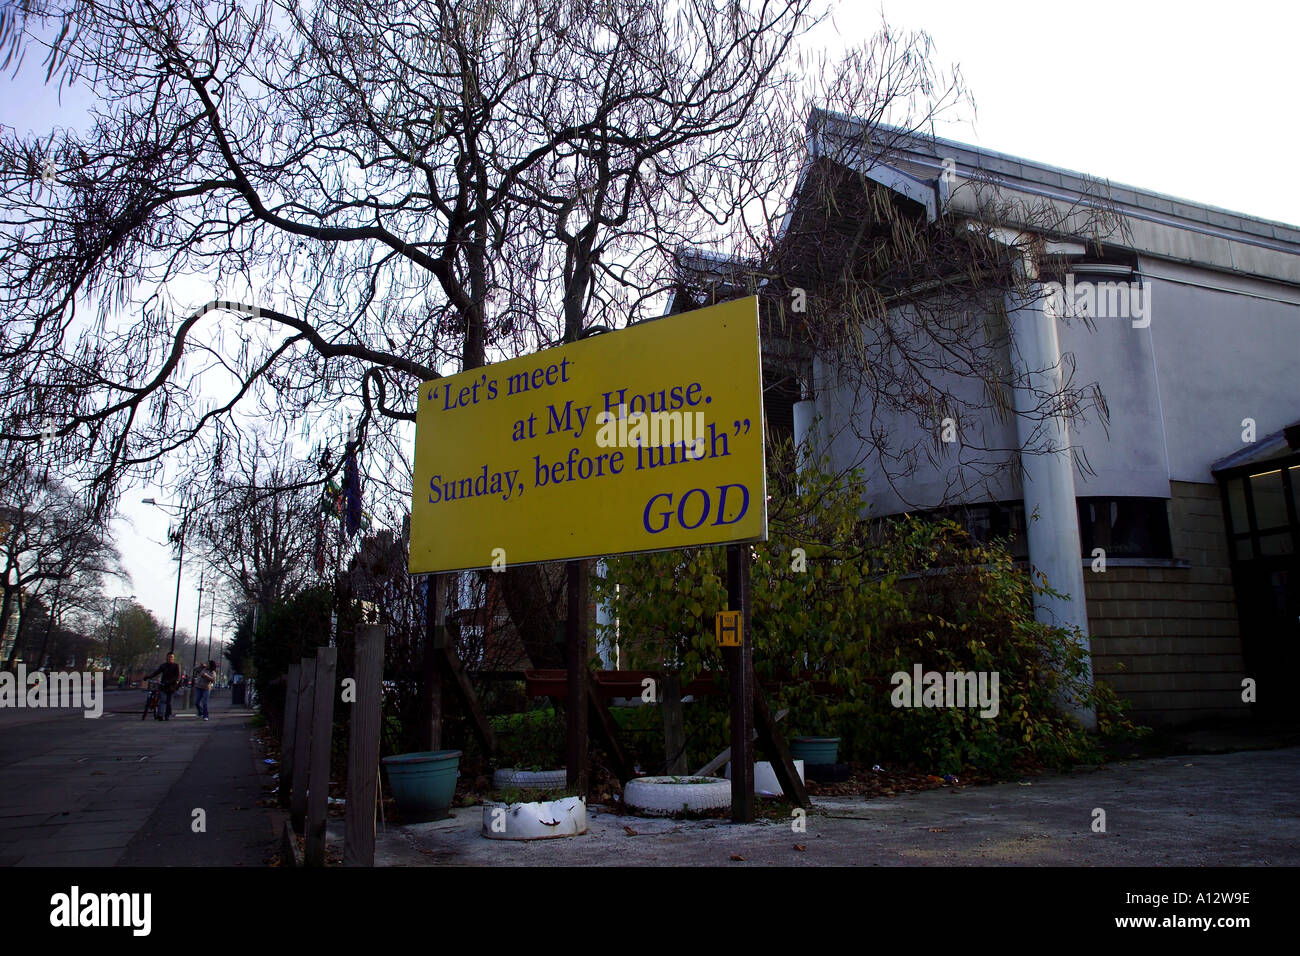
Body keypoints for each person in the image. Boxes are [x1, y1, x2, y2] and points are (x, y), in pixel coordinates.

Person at [143, 653, 181, 720]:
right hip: (164, 686)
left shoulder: (176, 666)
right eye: (169, 657)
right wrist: (148, 677)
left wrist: (170, 682)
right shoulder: (163, 666)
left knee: (169, 702)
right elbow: (156, 672)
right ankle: (160, 714)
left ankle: (167, 715)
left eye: (171, 657)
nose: (170, 658)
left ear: (173, 658)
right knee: (163, 700)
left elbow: (177, 677)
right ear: (167, 658)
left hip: (171, 686)